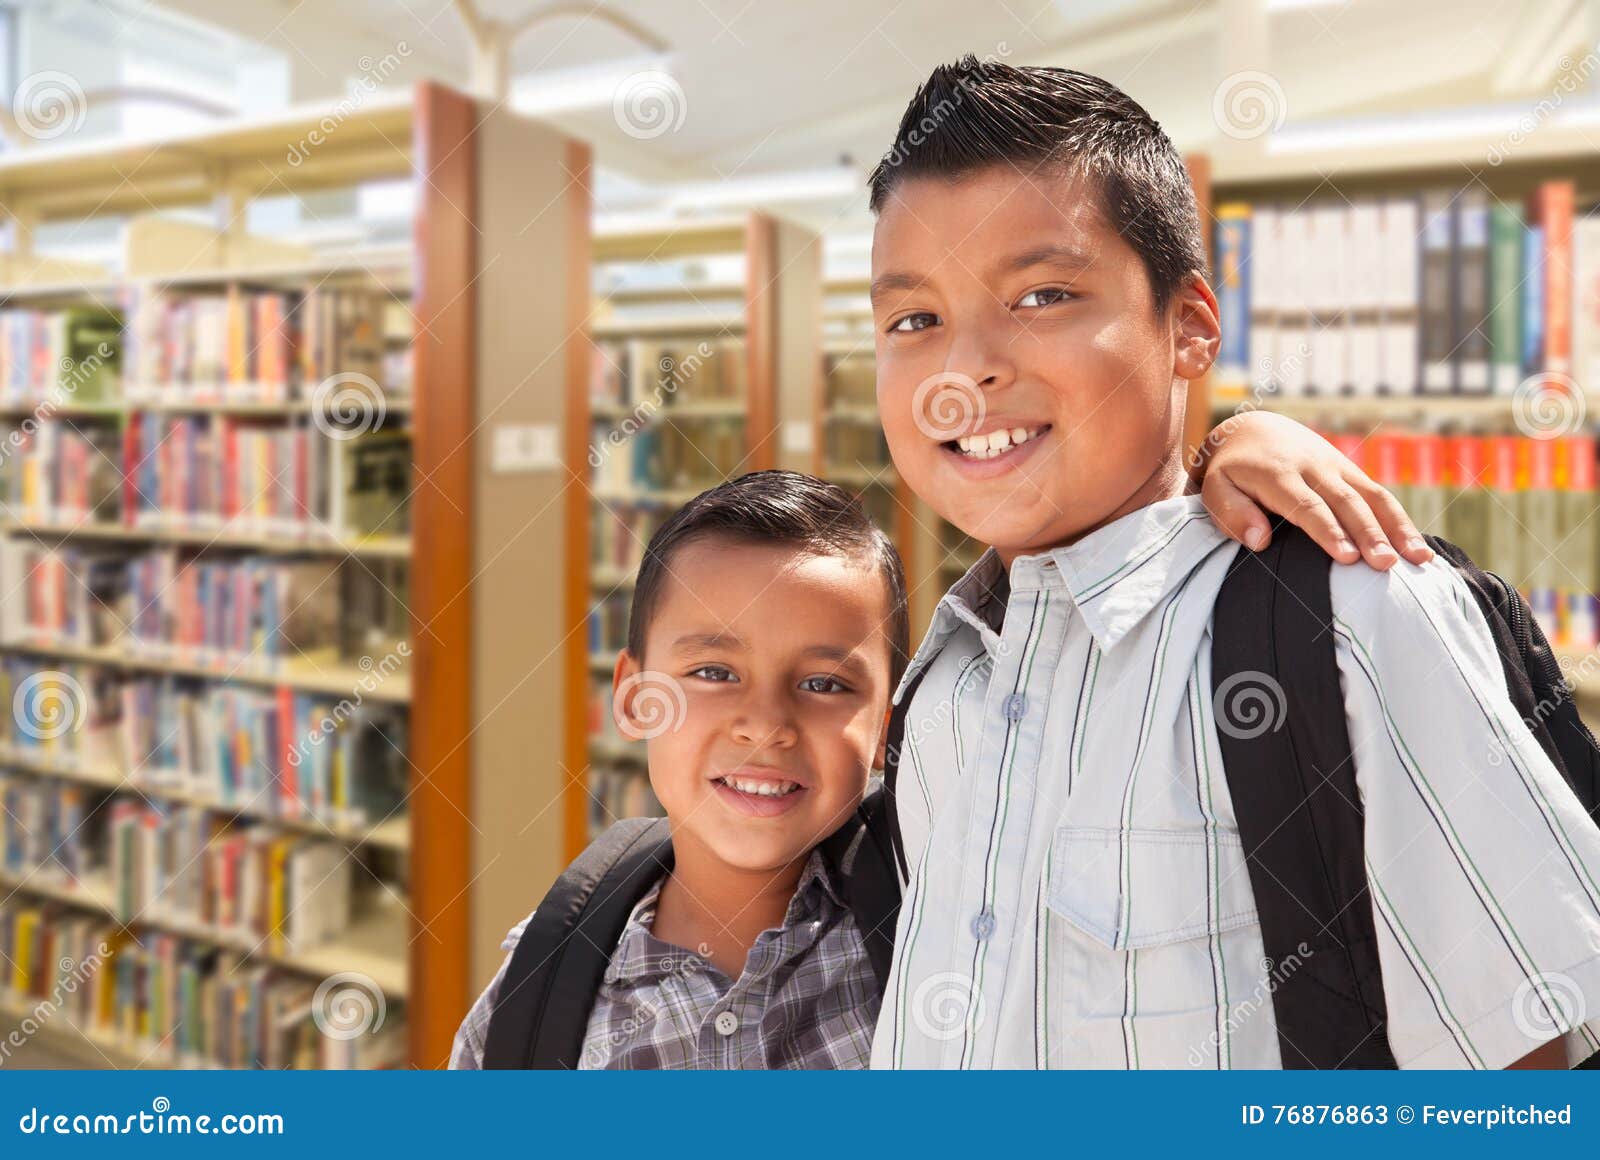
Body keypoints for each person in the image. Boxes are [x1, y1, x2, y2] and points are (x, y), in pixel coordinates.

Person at [867, 57, 1600, 1069]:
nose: (964, 367)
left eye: (1041, 294)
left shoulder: (1356, 618)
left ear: (1189, 326)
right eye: (913, 319)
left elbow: (1522, 1074)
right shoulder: (940, 687)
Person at [450, 408, 1436, 1068]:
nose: (763, 721)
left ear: (891, 722)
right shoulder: (540, 995)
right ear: (633, 698)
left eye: (826, 681)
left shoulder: (956, 910)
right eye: (712, 671)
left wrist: (1229, 440)